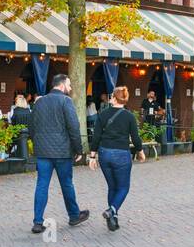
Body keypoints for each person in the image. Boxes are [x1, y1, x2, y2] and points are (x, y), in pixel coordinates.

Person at [29, 73, 89, 234]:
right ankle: (74, 215)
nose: (70, 88)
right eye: (69, 85)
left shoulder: (39, 102)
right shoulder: (65, 101)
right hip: (62, 152)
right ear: (62, 85)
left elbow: (32, 127)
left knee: (42, 185)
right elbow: (73, 127)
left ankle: (37, 221)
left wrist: (37, 143)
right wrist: (78, 150)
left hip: (43, 152)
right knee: (67, 184)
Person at [88, 85, 145, 231]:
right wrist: (140, 151)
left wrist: (92, 156)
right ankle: (111, 210)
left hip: (105, 153)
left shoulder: (103, 114)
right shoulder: (129, 116)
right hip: (121, 154)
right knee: (123, 187)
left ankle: (113, 221)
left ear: (113, 97)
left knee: (112, 187)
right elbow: (135, 137)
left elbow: (96, 137)